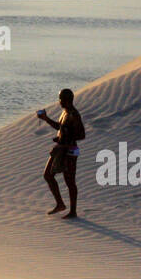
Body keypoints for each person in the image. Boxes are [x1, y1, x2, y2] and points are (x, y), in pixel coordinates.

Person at [37, 88, 85, 219]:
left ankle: (73, 212)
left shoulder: (74, 114)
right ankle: (60, 204)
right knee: (48, 175)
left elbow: (81, 135)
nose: (59, 101)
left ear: (67, 100)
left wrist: (65, 141)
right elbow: (60, 127)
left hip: (70, 150)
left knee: (70, 181)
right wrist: (46, 118)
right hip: (60, 148)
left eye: (60, 99)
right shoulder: (65, 112)